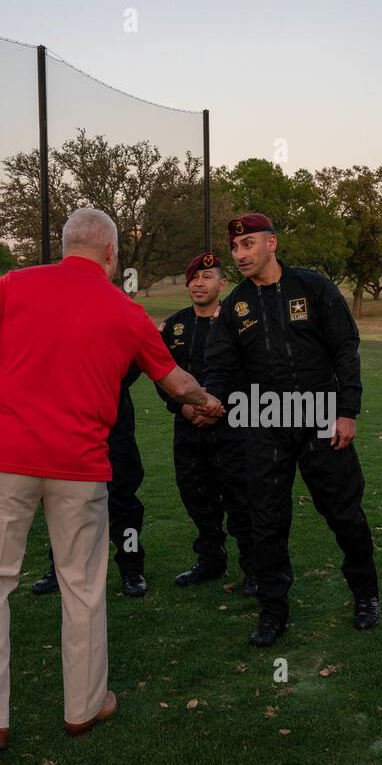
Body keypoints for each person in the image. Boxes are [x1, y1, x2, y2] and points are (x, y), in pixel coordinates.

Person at [0, 208, 217, 765]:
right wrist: (206, 403)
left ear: (65, 245)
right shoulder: (128, 310)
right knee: (83, 587)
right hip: (80, 466)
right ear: (111, 255)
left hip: (2, 458)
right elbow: (176, 381)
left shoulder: (15, 283)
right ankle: (84, 708)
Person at [203, 213, 379, 646]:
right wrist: (208, 397)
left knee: (343, 513)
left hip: (320, 415)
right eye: (236, 248)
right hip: (265, 419)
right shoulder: (236, 305)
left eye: (249, 246)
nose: (241, 255)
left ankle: (365, 594)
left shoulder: (313, 286)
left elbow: (345, 349)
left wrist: (347, 411)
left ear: (272, 244)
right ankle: (273, 610)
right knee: (267, 521)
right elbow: (220, 365)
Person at [156, 251, 256, 593]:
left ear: (222, 283)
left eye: (208, 276)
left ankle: (253, 568)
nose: (199, 283)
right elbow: (161, 374)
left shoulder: (240, 321)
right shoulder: (175, 325)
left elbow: (251, 371)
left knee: (240, 500)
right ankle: (211, 560)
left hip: (231, 428)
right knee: (196, 496)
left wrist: (218, 406)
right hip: (187, 429)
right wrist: (181, 407)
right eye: (194, 278)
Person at [27, 361, 149, 599]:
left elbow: (134, 361)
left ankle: (132, 567)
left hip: (114, 422)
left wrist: (97, 383)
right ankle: (59, 567)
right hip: (67, 423)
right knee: (64, 500)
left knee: (123, 501)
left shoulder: (120, 323)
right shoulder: (58, 326)